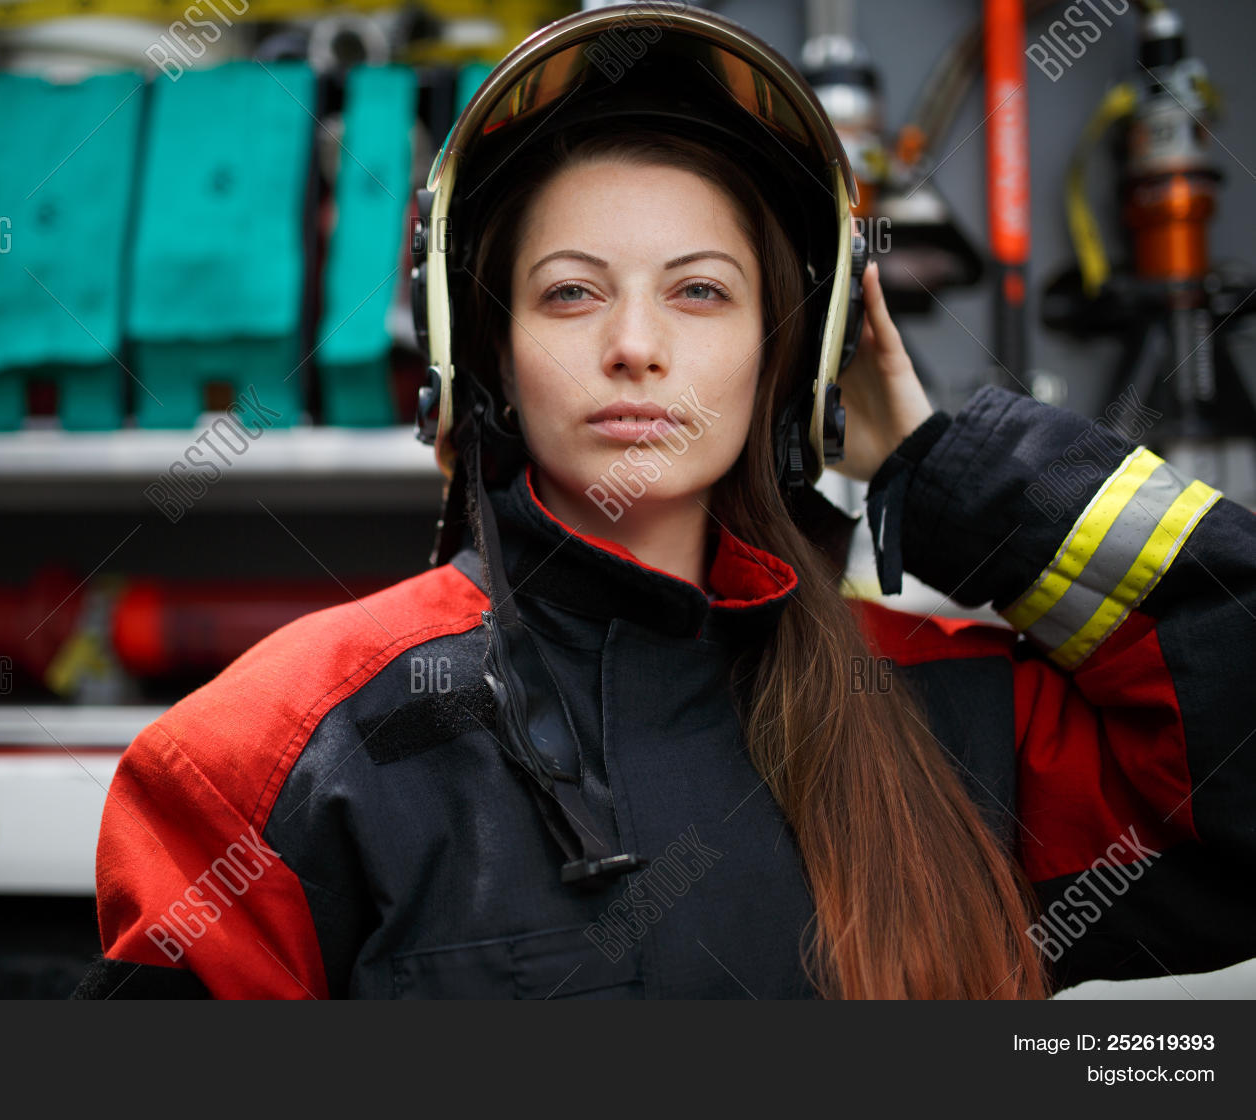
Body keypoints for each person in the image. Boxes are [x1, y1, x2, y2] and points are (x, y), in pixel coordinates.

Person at [75, 4, 1256, 999]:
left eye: (699, 292)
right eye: (572, 293)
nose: (636, 346)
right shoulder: (277, 759)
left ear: (792, 352)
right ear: (485, 353)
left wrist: (940, 457)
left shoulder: (954, 719)